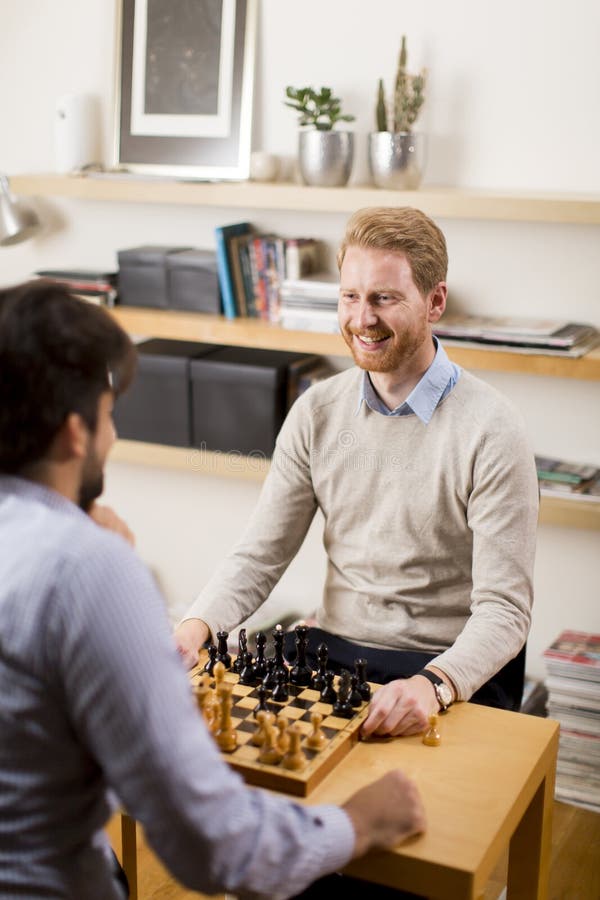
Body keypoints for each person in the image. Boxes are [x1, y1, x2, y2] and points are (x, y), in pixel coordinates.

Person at [0, 281, 425, 900]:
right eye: (108, 415)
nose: (112, 437)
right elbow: (217, 849)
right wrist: (357, 823)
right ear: (74, 433)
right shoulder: (87, 570)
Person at [175, 206, 540, 738]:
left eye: (384, 298)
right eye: (350, 296)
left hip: (450, 669)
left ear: (435, 301)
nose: (362, 318)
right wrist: (196, 626)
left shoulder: (493, 430)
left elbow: (505, 611)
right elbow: (261, 555)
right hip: (339, 652)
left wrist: (434, 684)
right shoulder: (316, 412)